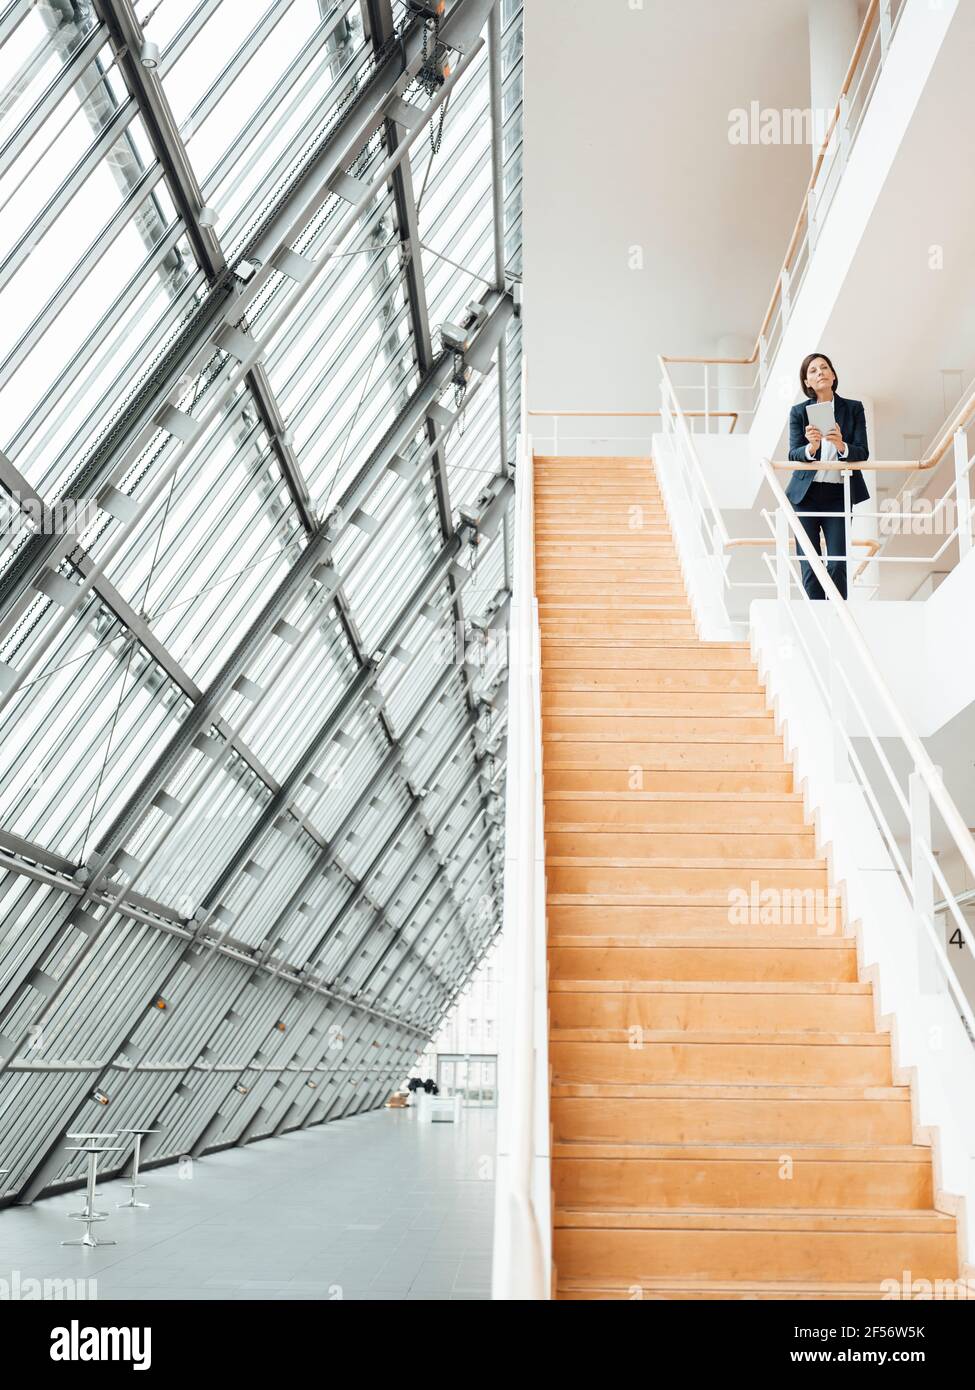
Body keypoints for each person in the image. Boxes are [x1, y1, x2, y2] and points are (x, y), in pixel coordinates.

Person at [786, 352, 869, 600]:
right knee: (810, 565)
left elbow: (862, 451)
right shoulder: (799, 412)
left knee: (837, 564)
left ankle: (837, 615)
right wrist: (811, 448)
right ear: (807, 383)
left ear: (833, 375)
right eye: (813, 371)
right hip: (805, 496)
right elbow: (793, 453)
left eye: (824, 368)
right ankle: (817, 618)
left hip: (838, 494)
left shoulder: (853, 408)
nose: (820, 372)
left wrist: (842, 445)